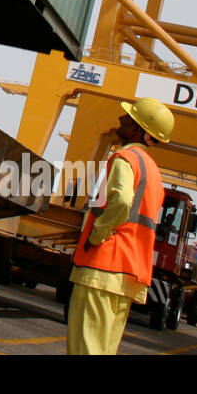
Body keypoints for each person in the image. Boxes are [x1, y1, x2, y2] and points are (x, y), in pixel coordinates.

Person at [66, 96, 175, 355]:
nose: (120, 118)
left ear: (137, 129)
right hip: (128, 274)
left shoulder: (124, 158)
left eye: (128, 117)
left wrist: (97, 235)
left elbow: (122, 200)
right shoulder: (153, 172)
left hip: (103, 268)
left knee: (85, 348)